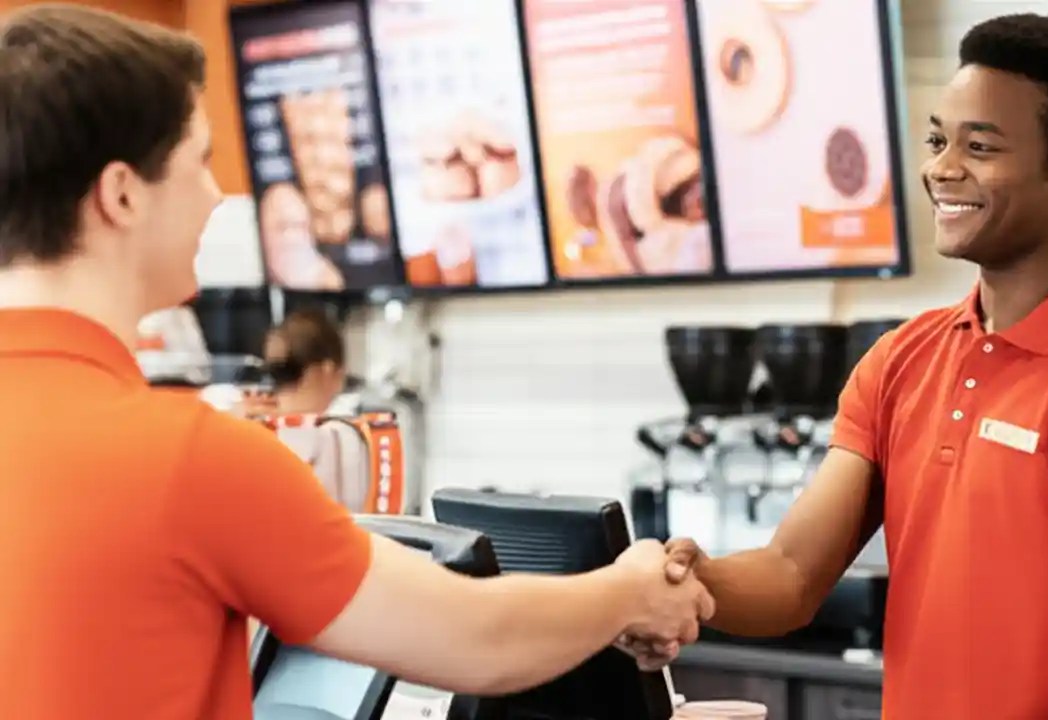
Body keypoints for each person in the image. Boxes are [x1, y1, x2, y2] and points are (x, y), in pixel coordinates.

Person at [0, 6, 711, 719]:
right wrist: (631, 589)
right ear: (122, 195)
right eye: (200, 163)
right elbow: (476, 637)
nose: (217, 195)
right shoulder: (187, 459)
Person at [622, 13, 1048, 720]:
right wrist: (682, 578)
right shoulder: (902, 359)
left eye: (979, 146)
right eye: (937, 141)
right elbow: (790, 574)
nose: (940, 169)